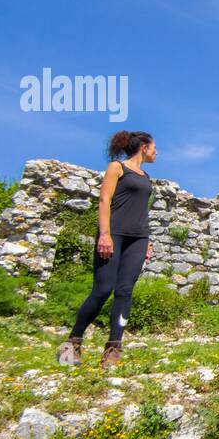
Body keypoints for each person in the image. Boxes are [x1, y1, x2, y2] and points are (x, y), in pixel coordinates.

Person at [57, 130, 157, 370]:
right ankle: (72, 344)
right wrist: (104, 234)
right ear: (143, 146)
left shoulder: (146, 176)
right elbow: (104, 200)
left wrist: (148, 241)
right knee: (102, 290)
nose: (157, 152)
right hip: (114, 235)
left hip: (138, 238)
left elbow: (141, 209)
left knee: (124, 291)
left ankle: (113, 349)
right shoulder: (117, 168)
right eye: (154, 147)